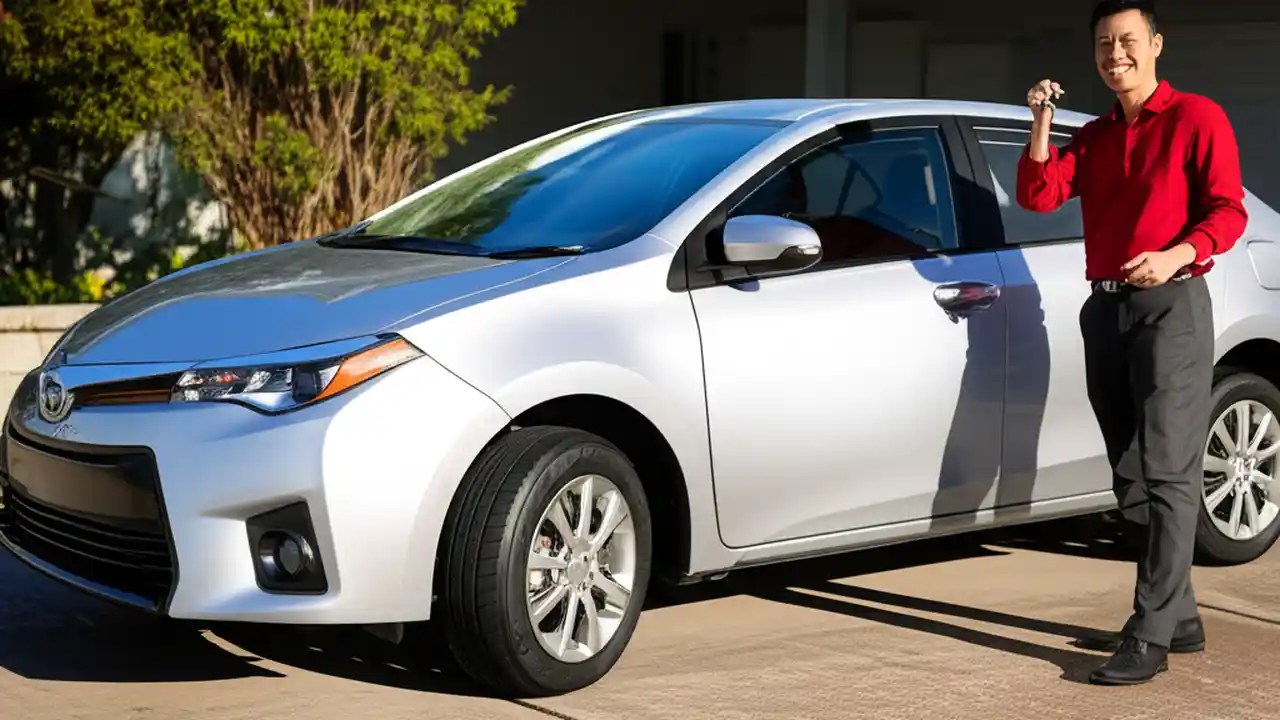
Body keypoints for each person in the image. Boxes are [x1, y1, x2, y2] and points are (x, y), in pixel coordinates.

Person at [1016, 0, 1248, 685]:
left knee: (1172, 471)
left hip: (1171, 307)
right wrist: (1041, 123)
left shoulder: (1196, 118)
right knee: (1129, 474)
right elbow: (1038, 195)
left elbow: (1228, 209)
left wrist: (1177, 254)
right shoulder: (1091, 137)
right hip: (1106, 312)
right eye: (1102, 44)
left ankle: (1148, 634)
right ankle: (1180, 616)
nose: (1114, 54)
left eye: (1126, 41)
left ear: (1155, 45)